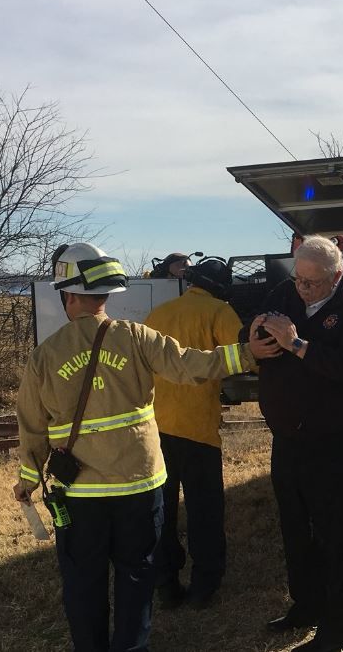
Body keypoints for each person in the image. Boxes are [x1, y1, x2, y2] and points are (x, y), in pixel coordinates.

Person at [12, 242, 252, 652]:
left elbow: (32, 427)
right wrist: (248, 353)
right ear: (105, 295)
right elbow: (193, 365)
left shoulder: (45, 357)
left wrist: (28, 481)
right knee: (137, 575)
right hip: (139, 488)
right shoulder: (136, 337)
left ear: (68, 295)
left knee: (83, 582)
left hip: (81, 495)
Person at [247, 235, 343, 652]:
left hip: (338, 439)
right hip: (289, 437)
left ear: (337, 275)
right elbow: (254, 328)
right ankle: (306, 605)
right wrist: (254, 341)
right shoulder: (283, 294)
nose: (303, 289)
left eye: (313, 283)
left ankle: (341, 629)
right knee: (297, 529)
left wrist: (297, 345)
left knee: (342, 535)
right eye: (299, 279)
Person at [144, 257, 242, 610]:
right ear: (221, 287)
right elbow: (245, 354)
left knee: (162, 512)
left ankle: (166, 585)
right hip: (197, 430)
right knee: (204, 511)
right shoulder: (220, 311)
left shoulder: (158, 313)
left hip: (156, 428)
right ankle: (204, 586)